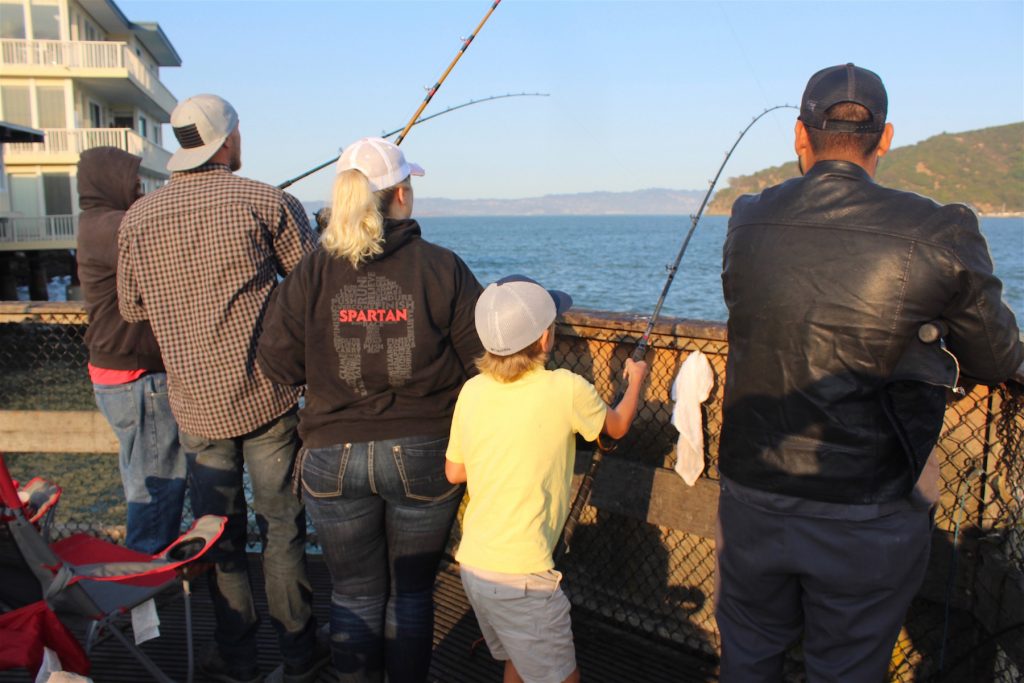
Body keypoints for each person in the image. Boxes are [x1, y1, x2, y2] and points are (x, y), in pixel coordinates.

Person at [716, 63, 1024, 681]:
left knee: (749, 657)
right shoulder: (940, 230)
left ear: (800, 136)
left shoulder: (747, 218)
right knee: (847, 667)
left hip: (751, 492)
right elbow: (997, 357)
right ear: (885, 139)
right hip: (867, 503)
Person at [256, 137, 484, 683]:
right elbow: (483, 356)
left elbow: (276, 361)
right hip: (426, 452)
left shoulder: (312, 272)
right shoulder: (442, 268)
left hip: (332, 453)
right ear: (401, 193)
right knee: (410, 594)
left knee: (355, 593)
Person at [117, 94, 324, 683]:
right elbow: (309, 285)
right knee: (282, 527)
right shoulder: (266, 201)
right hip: (267, 396)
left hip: (196, 403)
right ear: (227, 140)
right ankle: (299, 655)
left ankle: (236, 660)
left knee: (219, 537)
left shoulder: (139, 217)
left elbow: (131, 307)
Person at [444, 275, 649, 683]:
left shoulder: (472, 391)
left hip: (474, 566)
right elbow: (618, 425)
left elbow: (454, 471)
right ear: (543, 339)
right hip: (524, 580)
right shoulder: (565, 389)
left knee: (518, 661)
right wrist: (637, 379)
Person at [76, 146, 187, 555]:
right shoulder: (111, 226)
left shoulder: (96, 223)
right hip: (138, 377)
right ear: (112, 182)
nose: (140, 191)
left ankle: (142, 591)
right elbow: (166, 241)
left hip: (116, 374)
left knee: (141, 481)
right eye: (134, 184)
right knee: (157, 491)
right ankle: (145, 599)